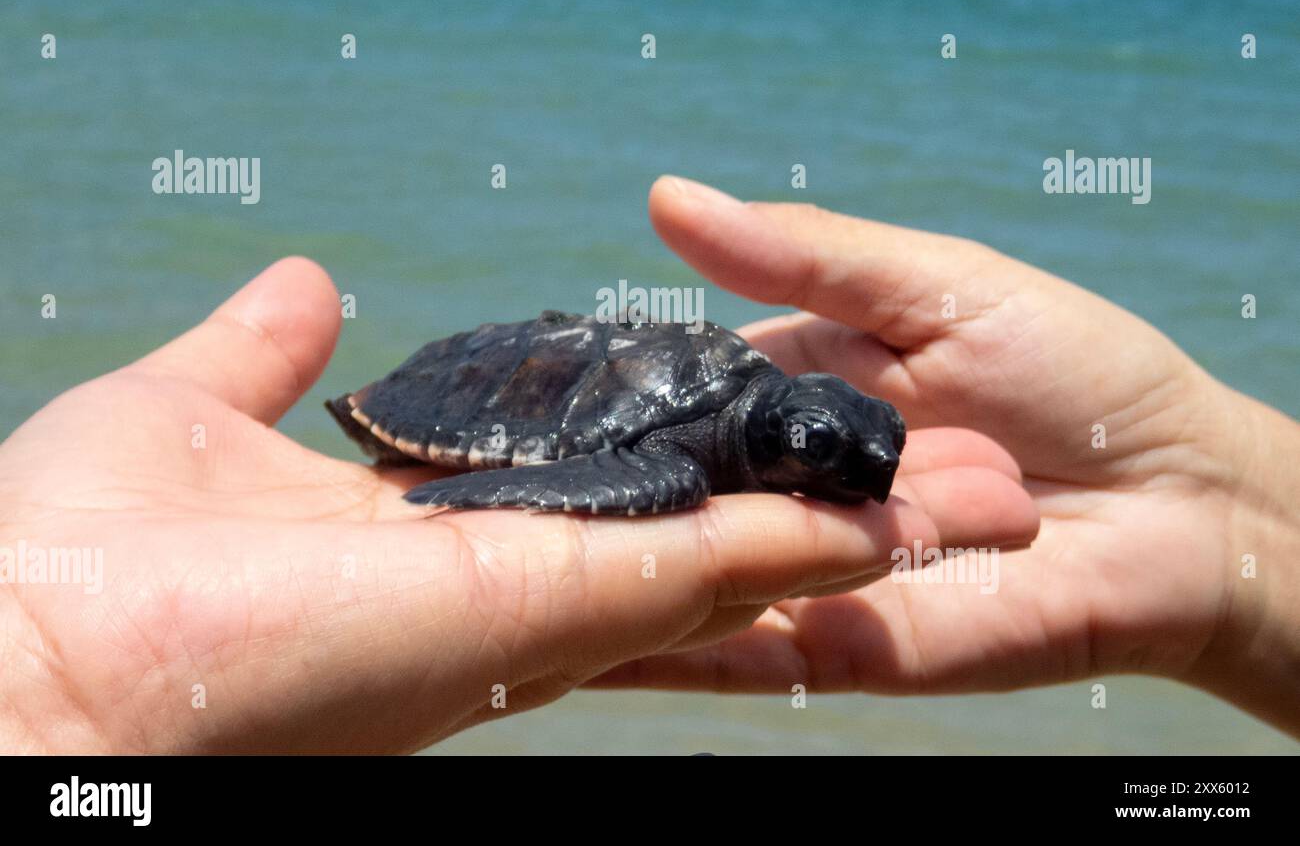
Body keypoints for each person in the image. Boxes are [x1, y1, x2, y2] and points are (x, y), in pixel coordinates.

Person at [0, 177, 1290, 752]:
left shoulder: (779, 426)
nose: (854, 472)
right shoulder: (691, 444)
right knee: (653, 494)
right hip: (461, 398)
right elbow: (602, 471)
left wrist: (1221, 526)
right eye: (829, 453)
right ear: (780, 433)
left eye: (866, 457)